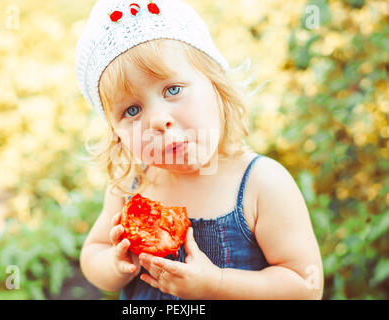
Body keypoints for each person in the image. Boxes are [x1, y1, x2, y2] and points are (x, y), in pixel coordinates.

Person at [76, 0, 323, 300]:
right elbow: (93, 253)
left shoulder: (262, 184)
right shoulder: (130, 187)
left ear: (216, 85)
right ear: (116, 134)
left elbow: (305, 286)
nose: (158, 120)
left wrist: (216, 283)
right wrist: (116, 264)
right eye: (131, 110)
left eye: (173, 90)